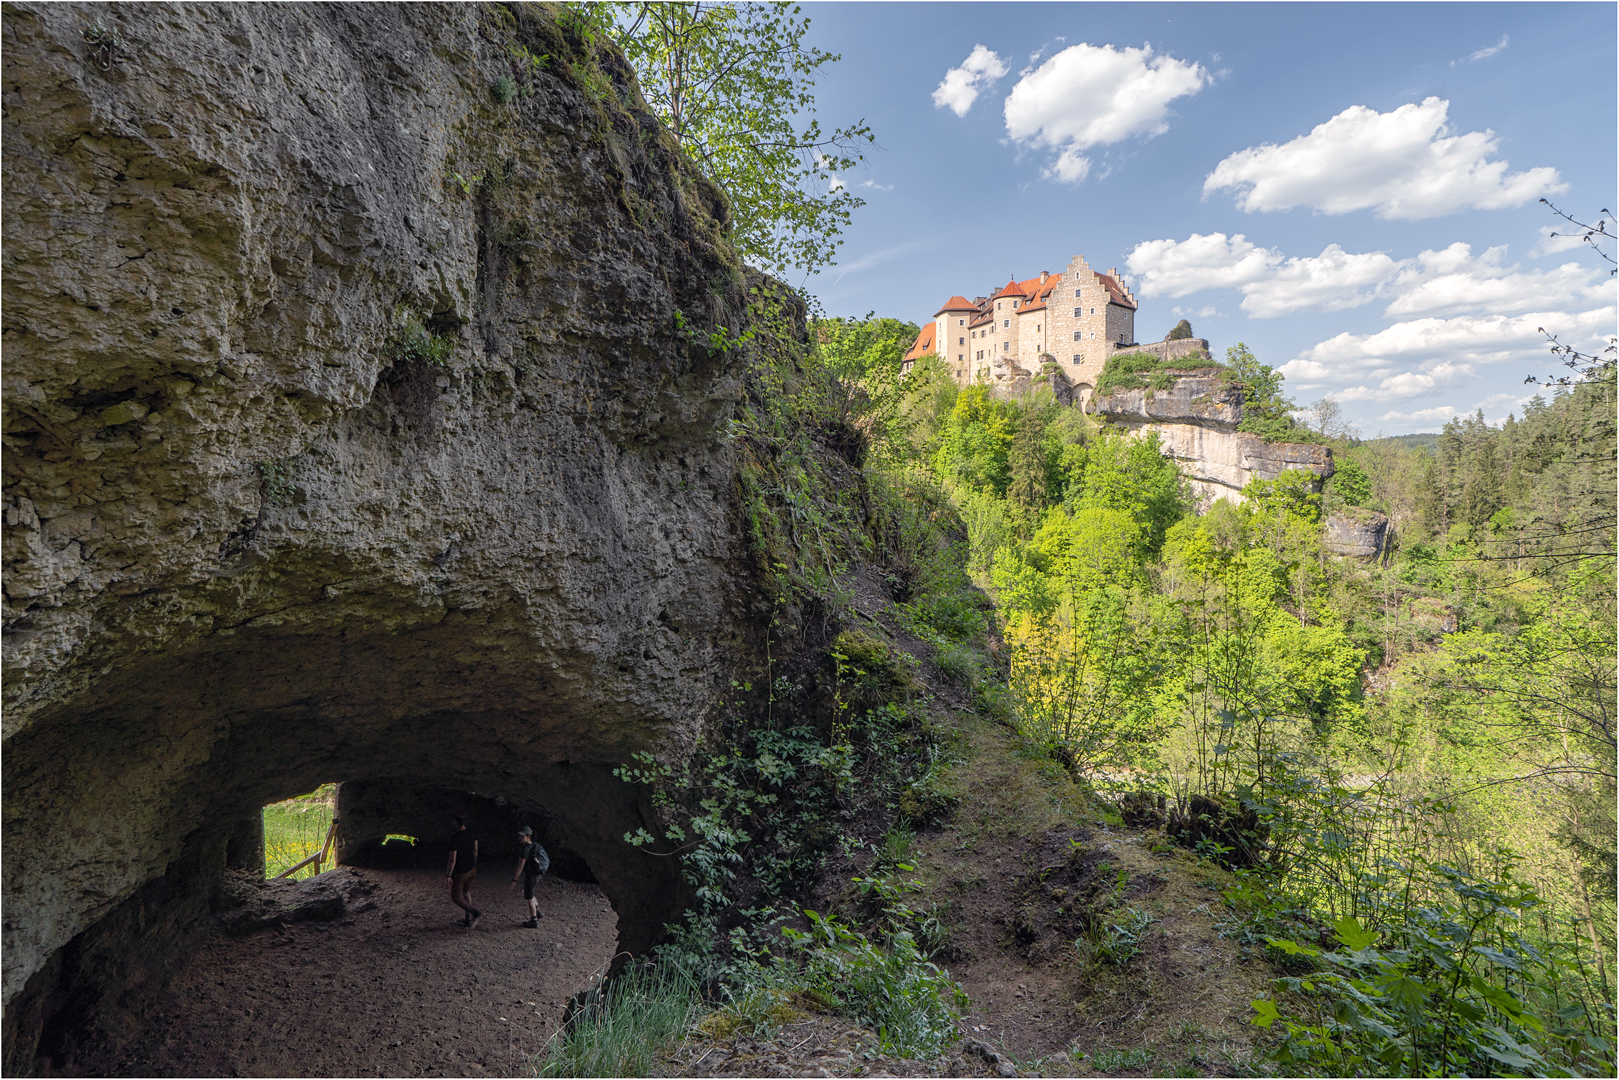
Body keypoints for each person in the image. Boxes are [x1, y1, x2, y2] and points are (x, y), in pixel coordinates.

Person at [510, 825, 550, 927]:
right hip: (538, 874)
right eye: (519, 836)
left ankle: (534, 920)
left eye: (522, 836)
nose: (519, 838)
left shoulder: (525, 850)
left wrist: (514, 880)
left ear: (528, 836)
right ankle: (539, 911)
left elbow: (520, 867)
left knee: (529, 897)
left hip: (531, 874)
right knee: (529, 891)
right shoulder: (536, 845)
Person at [446, 811, 480, 929]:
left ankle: (475, 913)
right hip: (472, 869)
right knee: (466, 893)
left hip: (461, 872)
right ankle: (467, 919)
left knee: (456, 897)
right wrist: (473, 864)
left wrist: (448, 875)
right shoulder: (472, 833)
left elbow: (452, 860)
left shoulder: (455, 838)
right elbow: (475, 851)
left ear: (456, 822)